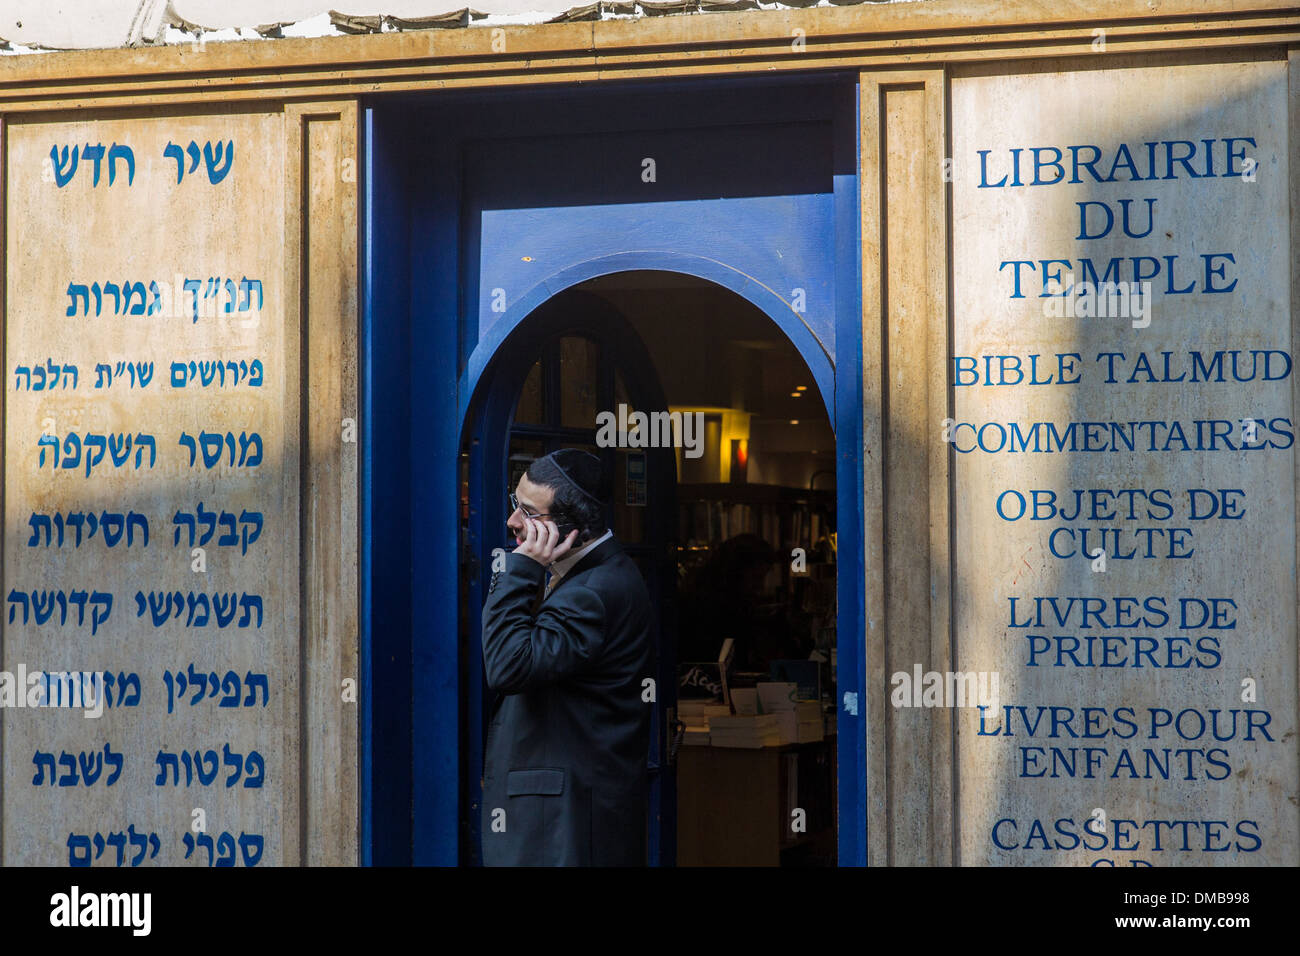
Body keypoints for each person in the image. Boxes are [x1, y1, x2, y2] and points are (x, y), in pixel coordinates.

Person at [481, 448, 655, 866]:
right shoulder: (590, 577)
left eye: (527, 511)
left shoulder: (592, 593)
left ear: (569, 527)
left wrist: (519, 570)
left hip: (563, 826)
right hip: (562, 818)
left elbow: (507, 667)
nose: (512, 522)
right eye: (513, 503)